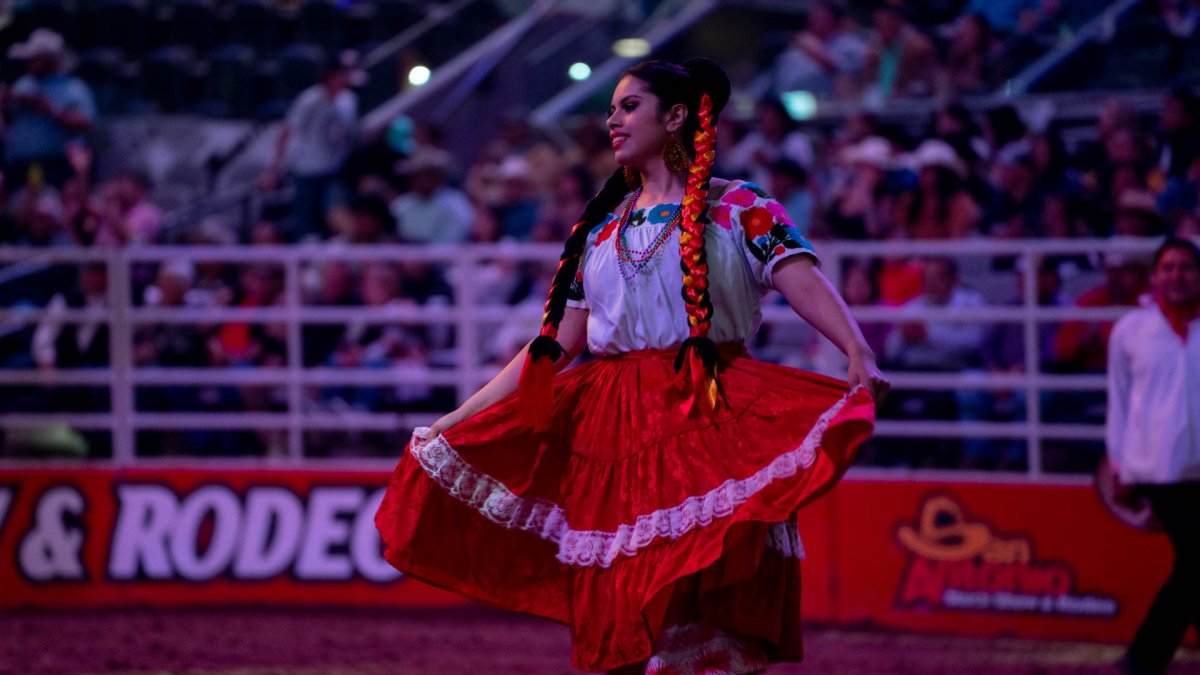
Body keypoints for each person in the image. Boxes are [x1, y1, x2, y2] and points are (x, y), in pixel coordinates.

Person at [375, 58, 887, 674]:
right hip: (612, 433)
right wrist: (460, 416)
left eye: (629, 106)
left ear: (675, 117)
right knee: (623, 617)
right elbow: (552, 347)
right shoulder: (600, 231)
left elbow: (798, 277)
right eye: (612, 108)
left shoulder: (739, 207)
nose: (612, 120)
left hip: (703, 419)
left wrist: (856, 349)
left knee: (696, 614)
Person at [1107, 238, 1200, 675]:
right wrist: (1117, 462)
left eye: (1186, 267)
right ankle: (1144, 658)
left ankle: (1143, 659)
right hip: (1158, 467)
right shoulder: (1131, 330)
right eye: (1168, 267)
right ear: (1154, 276)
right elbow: (1119, 399)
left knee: (1194, 564)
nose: (1177, 275)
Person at [261, 50, 362, 241]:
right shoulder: (309, 100)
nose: (346, 78)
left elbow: (351, 135)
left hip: (335, 170)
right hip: (307, 170)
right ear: (330, 75)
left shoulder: (349, 100)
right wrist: (274, 169)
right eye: (342, 73)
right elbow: (285, 133)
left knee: (333, 220)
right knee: (304, 224)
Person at [2, 28, 96, 191]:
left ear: (51, 59)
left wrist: (50, 110)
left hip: (53, 166)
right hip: (19, 166)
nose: (29, 61)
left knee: (47, 205)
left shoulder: (73, 88)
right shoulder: (23, 84)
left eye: (35, 58)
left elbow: (86, 124)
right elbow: (9, 122)